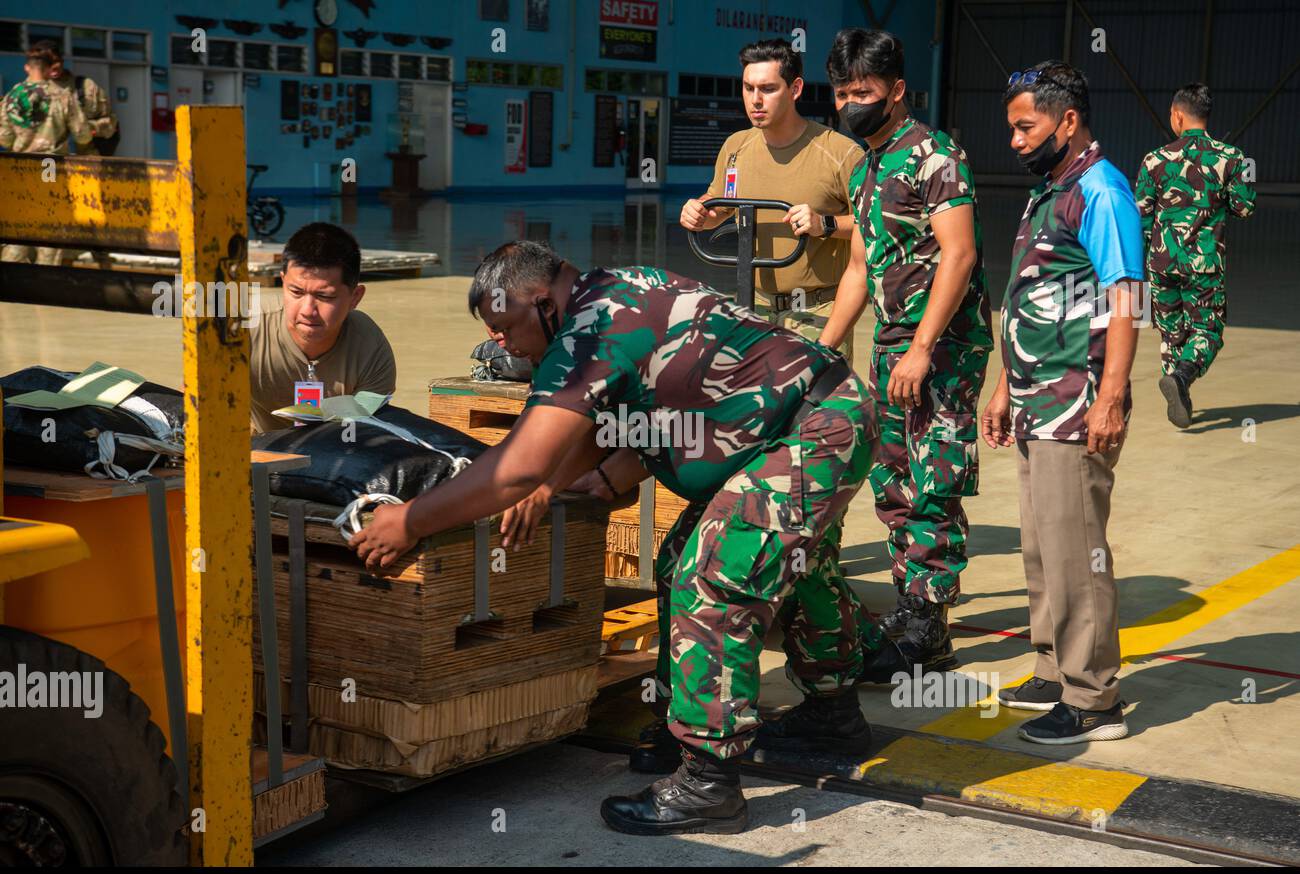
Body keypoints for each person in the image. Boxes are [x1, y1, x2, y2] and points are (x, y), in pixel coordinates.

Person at [349, 240, 893, 835]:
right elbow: (627, 413)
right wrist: (581, 478)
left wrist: (409, 520)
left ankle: (708, 781)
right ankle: (829, 716)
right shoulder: (614, 291)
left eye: (505, 327)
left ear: (542, 301)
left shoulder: (587, 334)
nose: (501, 343)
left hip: (811, 430)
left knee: (710, 578)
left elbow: (518, 465)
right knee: (775, 563)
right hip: (811, 416)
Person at [819, 28, 993, 673]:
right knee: (892, 474)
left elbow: (961, 251)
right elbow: (860, 269)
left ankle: (929, 624)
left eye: (862, 92)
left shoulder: (936, 156)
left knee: (932, 478)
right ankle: (910, 605)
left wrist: (922, 348)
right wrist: (823, 349)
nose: (849, 104)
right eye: (841, 93)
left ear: (896, 90)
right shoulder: (865, 168)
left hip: (940, 349)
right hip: (892, 347)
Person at [982, 61, 1144, 745]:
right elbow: (1028, 295)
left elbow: (1126, 298)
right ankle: (1053, 667)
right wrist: (1002, 386)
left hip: (1076, 404)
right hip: (1035, 399)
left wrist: (1110, 399)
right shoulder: (1052, 188)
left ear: (1068, 121)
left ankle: (1093, 699)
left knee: (1077, 550)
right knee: (1043, 545)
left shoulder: (1102, 192)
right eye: (1012, 127)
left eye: (1027, 126)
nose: (1015, 139)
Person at [679, 38, 864, 364]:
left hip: (816, 312)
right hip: (752, 306)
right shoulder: (736, 146)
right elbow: (721, 206)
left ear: (795, 89)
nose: (755, 100)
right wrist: (699, 213)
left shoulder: (841, 153)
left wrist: (825, 224)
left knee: (815, 411)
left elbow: (875, 226)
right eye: (748, 88)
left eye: (767, 88)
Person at [1135, 82, 1255, 428]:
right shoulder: (1231, 157)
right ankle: (1184, 378)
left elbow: (1140, 217)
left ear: (1177, 116)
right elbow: (1245, 207)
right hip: (1204, 263)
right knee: (1208, 329)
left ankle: (1178, 393)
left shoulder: (1154, 159)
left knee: (1172, 332)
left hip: (1161, 263)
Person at [249, 222, 396, 434]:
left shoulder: (371, 349)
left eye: (324, 296)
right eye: (296, 292)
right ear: (282, 283)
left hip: (335, 449)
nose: (308, 310)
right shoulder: (244, 330)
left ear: (355, 297)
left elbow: (362, 425)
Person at [0, 46, 92, 266]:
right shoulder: (63, 96)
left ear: (27, 67)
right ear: (49, 68)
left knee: (20, 223)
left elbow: (4, 138)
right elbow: (83, 135)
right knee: (50, 223)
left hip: (19, 167)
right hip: (50, 166)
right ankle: (47, 278)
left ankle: (9, 275)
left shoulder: (12, 96)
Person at [30, 39, 119, 156]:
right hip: (45, 161)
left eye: (56, 61)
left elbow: (111, 124)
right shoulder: (29, 92)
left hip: (84, 163)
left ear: (61, 60)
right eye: (47, 63)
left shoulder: (86, 87)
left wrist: (86, 129)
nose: (53, 66)